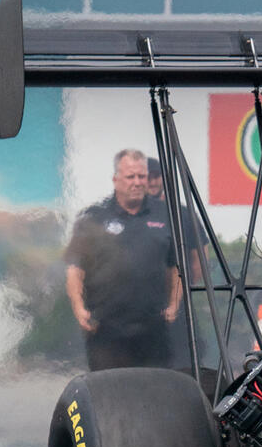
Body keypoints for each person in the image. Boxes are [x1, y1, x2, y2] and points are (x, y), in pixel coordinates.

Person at [65, 149, 182, 370]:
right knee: (109, 387)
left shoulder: (166, 214)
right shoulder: (94, 217)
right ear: (116, 179)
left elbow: (176, 266)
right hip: (106, 330)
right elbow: (75, 269)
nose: (137, 182)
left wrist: (174, 304)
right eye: (130, 177)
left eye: (141, 176)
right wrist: (79, 308)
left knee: (154, 386)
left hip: (153, 330)